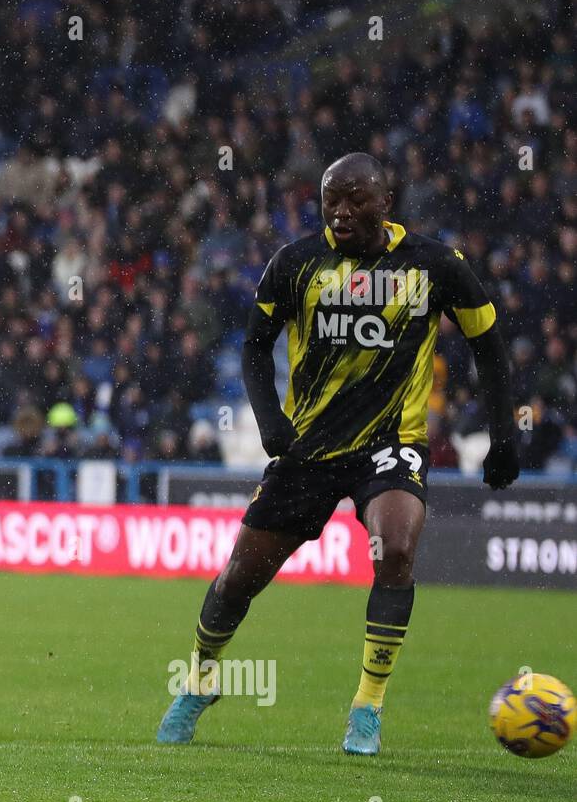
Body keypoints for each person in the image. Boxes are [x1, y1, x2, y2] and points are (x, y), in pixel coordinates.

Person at [156, 153, 520, 755]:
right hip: (310, 449)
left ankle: (367, 706)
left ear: (386, 202)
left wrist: (504, 435)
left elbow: (489, 344)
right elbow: (254, 348)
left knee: (396, 549)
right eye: (331, 201)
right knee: (239, 577)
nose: (342, 212)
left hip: (391, 443)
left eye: (356, 200)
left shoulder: (435, 264)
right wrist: (271, 422)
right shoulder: (295, 263)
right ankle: (199, 679)